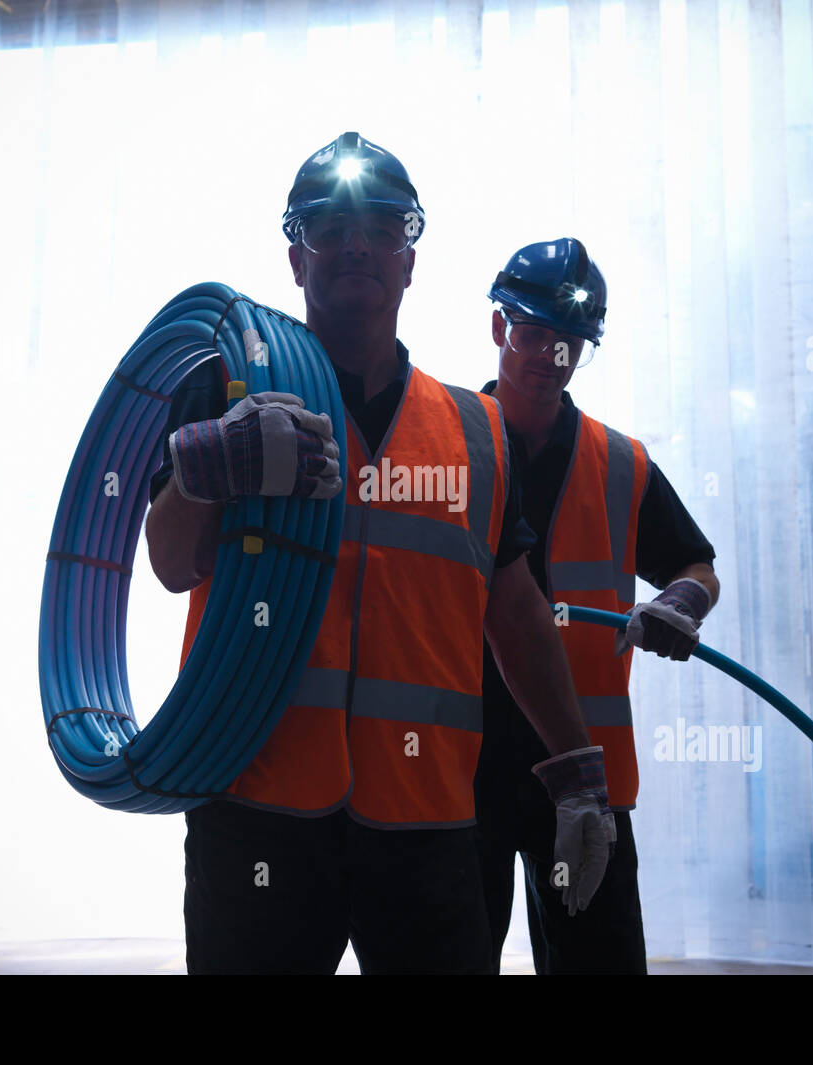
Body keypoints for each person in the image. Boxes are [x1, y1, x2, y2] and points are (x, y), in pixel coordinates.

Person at [144, 136, 617, 975]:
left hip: (427, 824)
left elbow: (516, 614)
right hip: (259, 811)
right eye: (329, 227)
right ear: (296, 257)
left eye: (383, 227)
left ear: (410, 261)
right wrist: (206, 469)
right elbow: (174, 561)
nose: (356, 243)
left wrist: (578, 771)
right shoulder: (229, 388)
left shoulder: (477, 434)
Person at [473, 237, 721, 974]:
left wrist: (681, 600)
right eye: (533, 335)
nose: (548, 358)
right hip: (460, 767)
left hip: (580, 772)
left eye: (568, 344)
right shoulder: (447, 447)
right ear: (498, 329)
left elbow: (696, 564)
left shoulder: (620, 465)